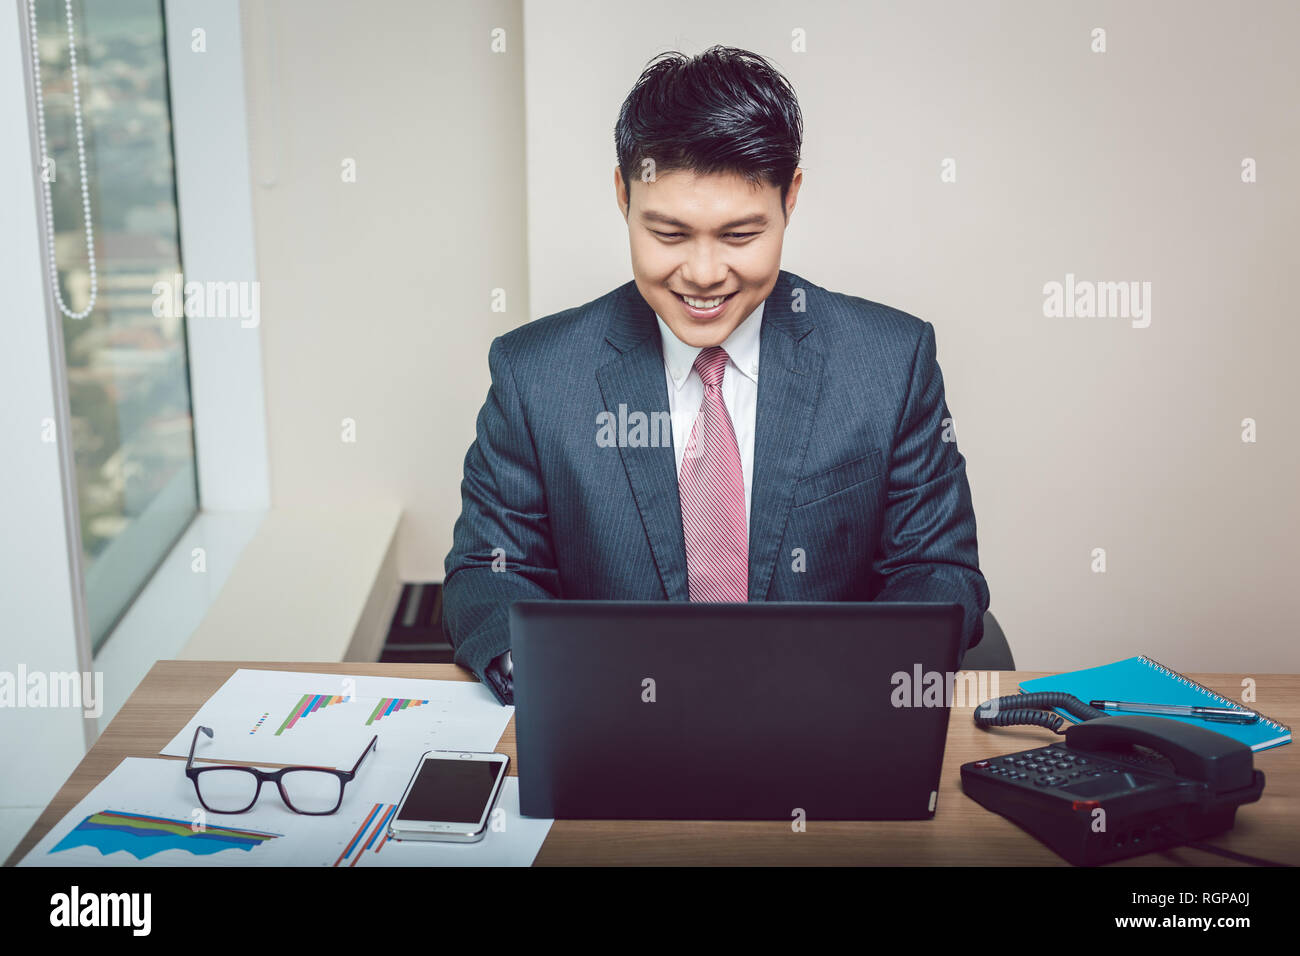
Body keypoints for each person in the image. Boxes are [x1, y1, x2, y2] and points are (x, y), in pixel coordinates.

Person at [443, 46, 989, 705]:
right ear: (624, 195)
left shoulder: (890, 362)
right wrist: (526, 662)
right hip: (613, 726)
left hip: (826, 722)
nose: (703, 274)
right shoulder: (535, 375)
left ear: (790, 199)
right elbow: (490, 572)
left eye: (739, 235)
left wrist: (869, 681)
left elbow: (935, 569)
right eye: (669, 234)